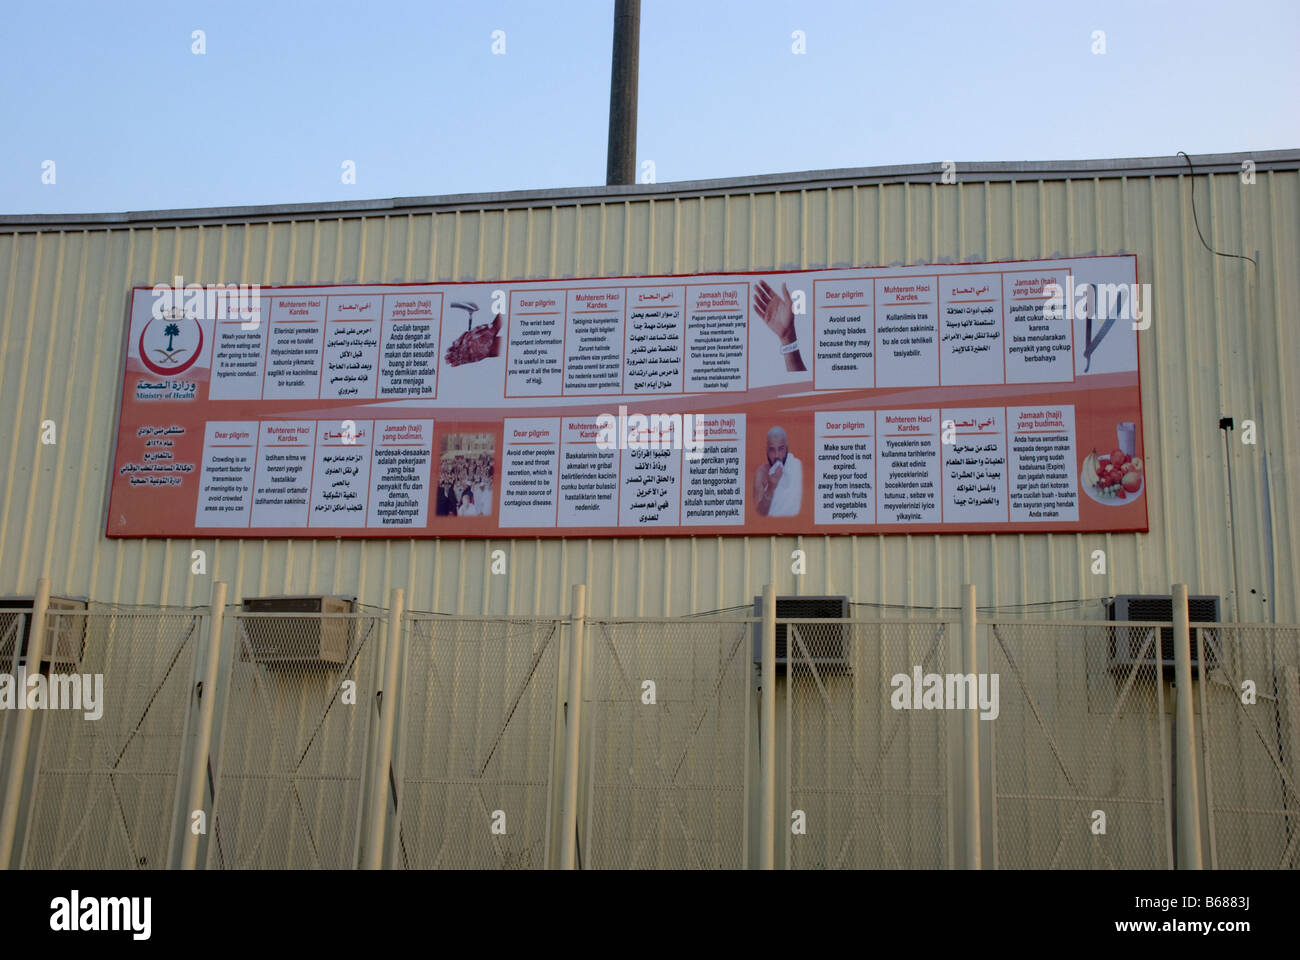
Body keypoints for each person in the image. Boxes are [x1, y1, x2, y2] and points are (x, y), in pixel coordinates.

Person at [753, 425, 802, 517]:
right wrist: (771, 488)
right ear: (767, 451)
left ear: (787, 449)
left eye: (781, 449)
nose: (777, 455)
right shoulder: (761, 473)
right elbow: (759, 514)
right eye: (772, 450)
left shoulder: (797, 466)